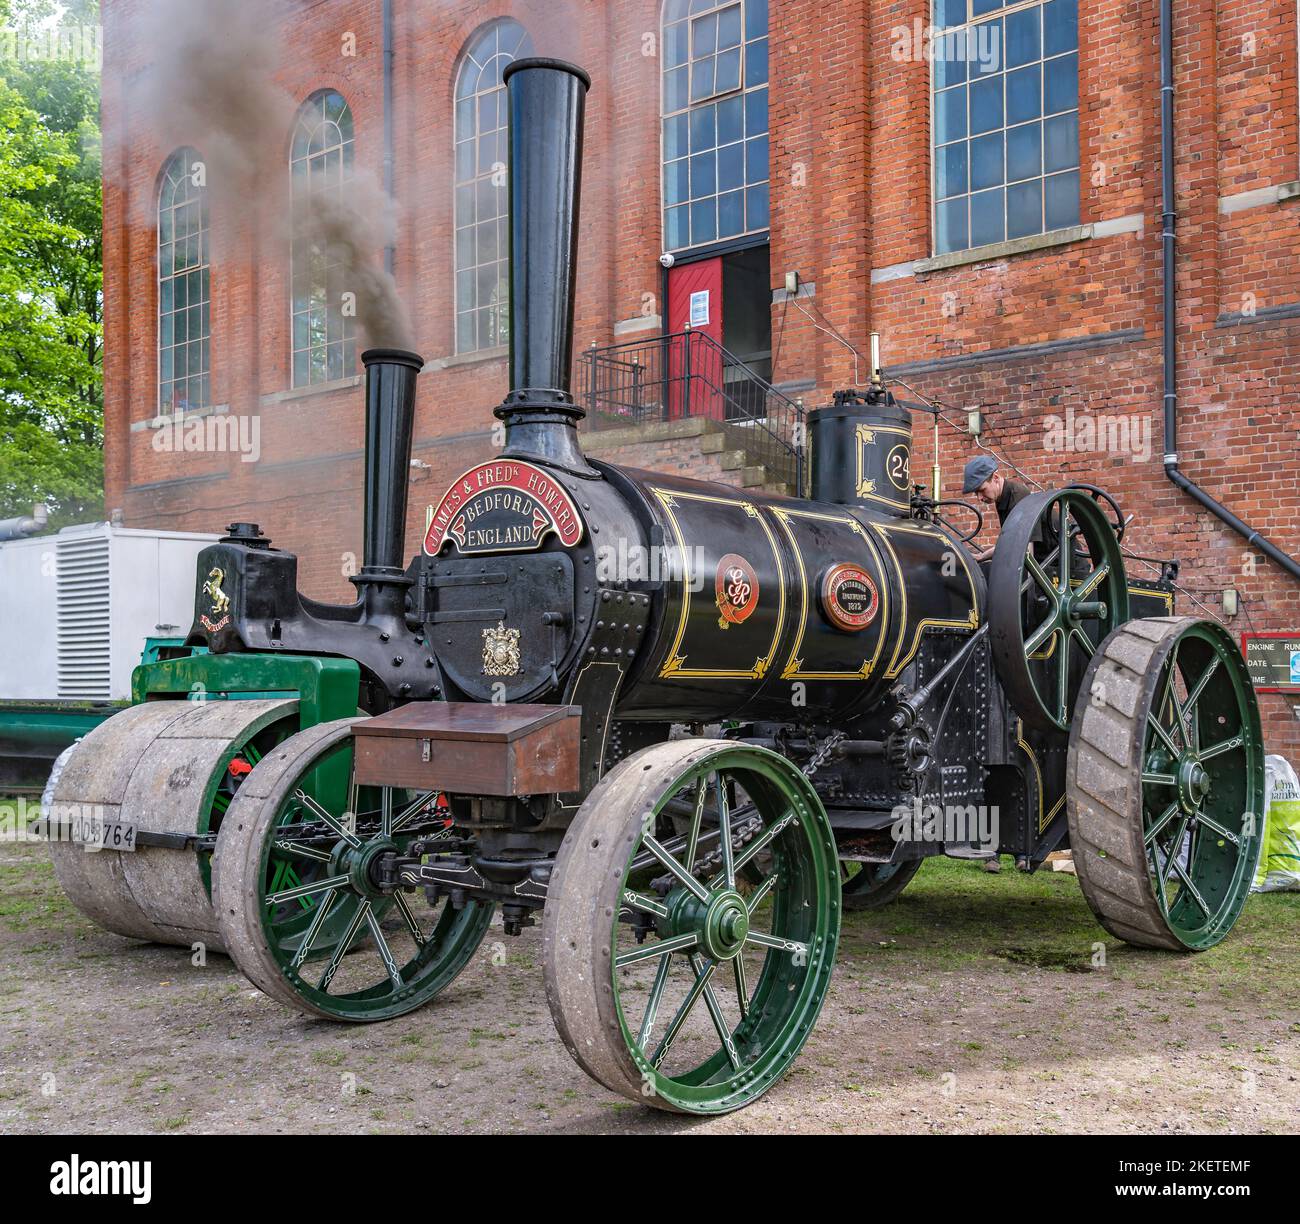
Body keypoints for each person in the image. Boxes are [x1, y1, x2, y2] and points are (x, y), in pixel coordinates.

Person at [962, 455, 1035, 563]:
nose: (979, 497)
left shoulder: (1018, 495)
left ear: (996, 478)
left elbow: (1027, 547)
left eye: (982, 490)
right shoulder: (1002, 498)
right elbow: (1010, 543)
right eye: (976, 493)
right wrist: (981, 557)